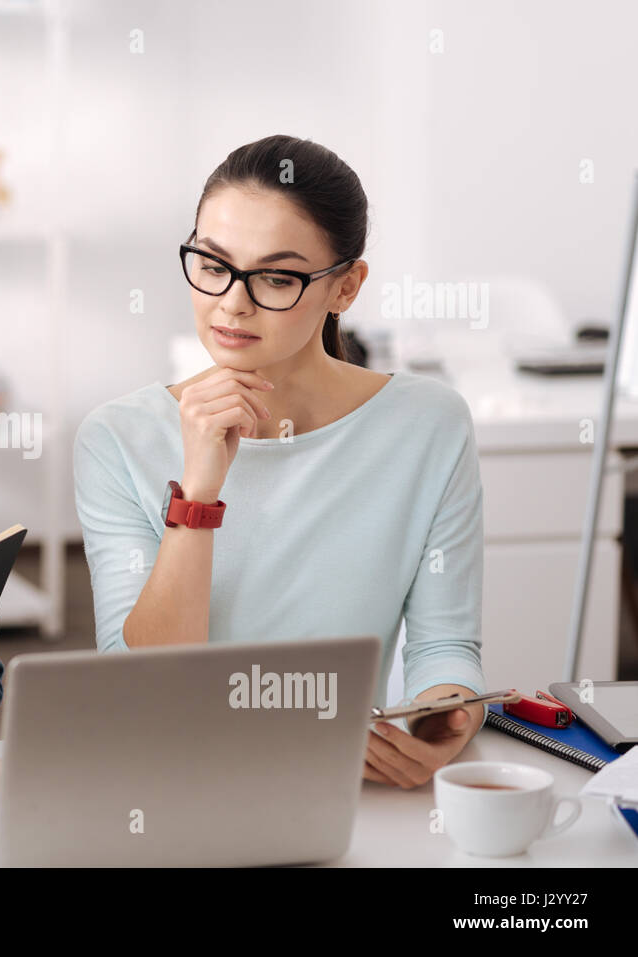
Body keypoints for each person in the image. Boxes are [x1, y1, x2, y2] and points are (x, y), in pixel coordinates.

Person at [73, 134, 487, 790]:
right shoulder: (117, 437)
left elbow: (445, 647)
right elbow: (142, 680)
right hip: (171, 783)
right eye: (211, 264)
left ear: (345, 287)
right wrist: (199, 491)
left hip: (346, 785)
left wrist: (445, 716)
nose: (232, 302)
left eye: (275, 276)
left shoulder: (429, 425)